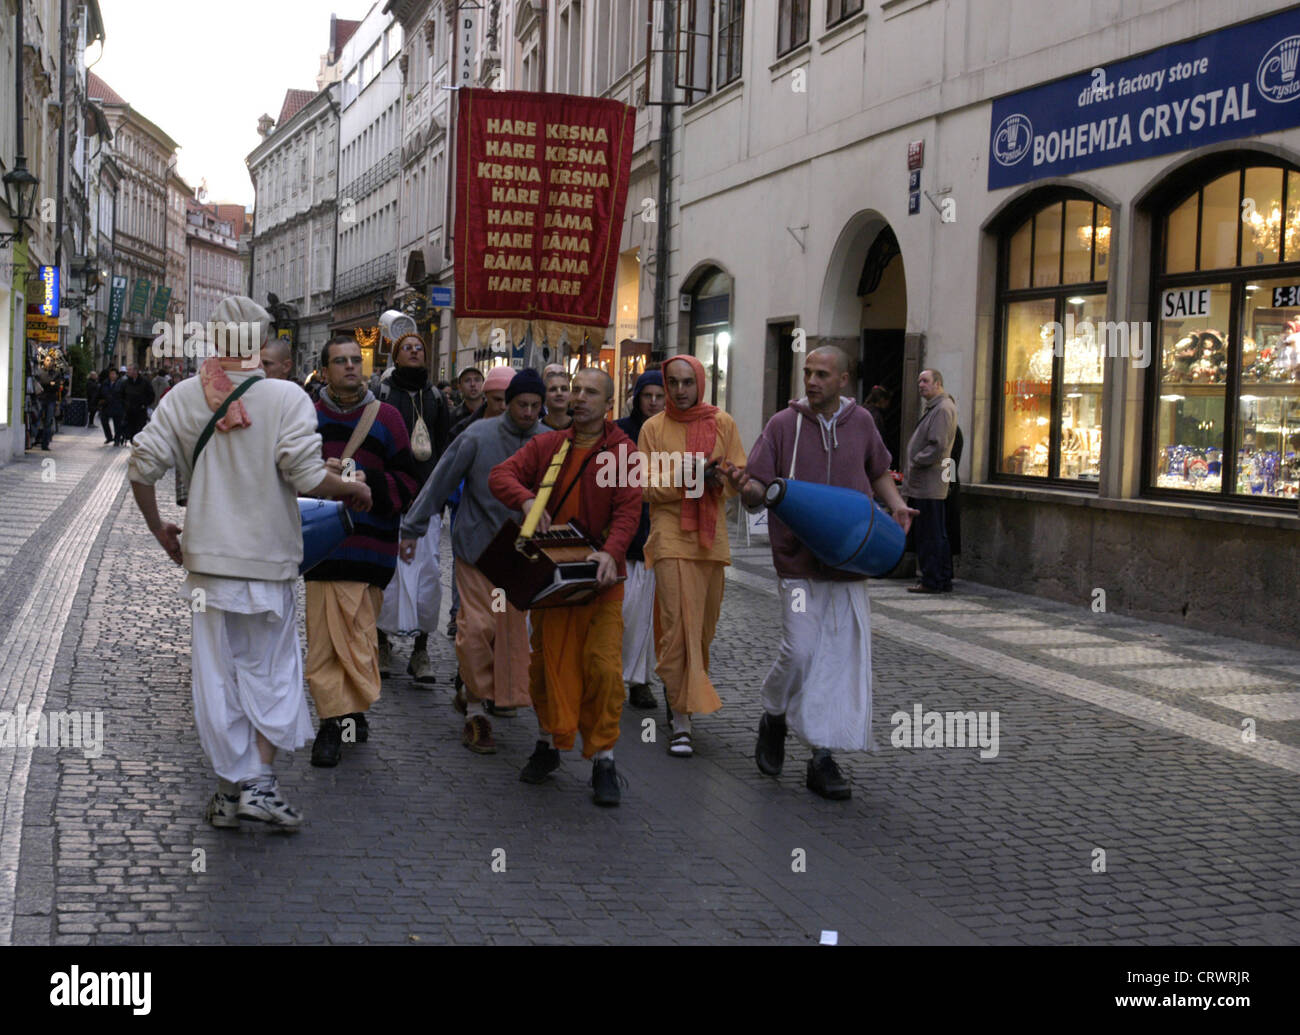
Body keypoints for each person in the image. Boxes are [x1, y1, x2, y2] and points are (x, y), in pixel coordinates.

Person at [126, 295, 372, 829]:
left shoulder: (184, 397)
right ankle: (258, 785)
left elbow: (140, 467)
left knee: (218, 678)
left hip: (209, 566)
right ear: (262, 342)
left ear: (215, 339)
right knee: (271, 672)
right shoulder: (286, 397)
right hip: (268, 563)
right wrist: (350, 488)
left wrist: (158, 527)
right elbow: (307, 478)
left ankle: (227, 790)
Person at [733, 345, 916, 801]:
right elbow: (757, 487)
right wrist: (748, 489)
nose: (811, 381)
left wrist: (895, 508)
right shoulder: (782, 425)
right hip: (797, 563)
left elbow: (878, 472)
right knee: (800, 651)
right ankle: (774, 714)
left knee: (838, 659)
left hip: (850, 562)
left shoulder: (863, 424)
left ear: (843, 381)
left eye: (821, 374)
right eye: (807, 372)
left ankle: (822, 755)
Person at [489, 368, 641, 805]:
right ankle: (548, 743)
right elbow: (500, 476)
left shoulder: (623, 452)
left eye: (591, 392)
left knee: (604, 671)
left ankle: (604, 758)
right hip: (552, 578)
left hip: (601, 580)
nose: (580, 398)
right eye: (576, 390)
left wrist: (611, 553)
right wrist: (527, 500)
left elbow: (629, 511)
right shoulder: (549, 444)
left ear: (609, 403)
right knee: (549, 668)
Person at [400, 368, 545, 754]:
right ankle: (476, 712)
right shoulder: (477, 436)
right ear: (506, 403)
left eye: (535, 405)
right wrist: (412, 528)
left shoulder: (549, 442)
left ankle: (480, 692)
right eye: (521, 404)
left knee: (508, 634)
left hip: (520, 556)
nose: (528, 412)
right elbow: (440, 481)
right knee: (477, 627)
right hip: (477, 549)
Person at [305, 335, 420, 768]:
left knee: (358, 639)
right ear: (325, 368)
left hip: (371, 548)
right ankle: (331, 725)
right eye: (341, 361)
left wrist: (372, 489)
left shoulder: (387, 418)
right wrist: (320, 476)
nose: (351, 367)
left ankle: (351, 712)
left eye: (356, 360)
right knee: (324, 644)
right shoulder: (307, 416)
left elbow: (409, 480)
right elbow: (285, 475)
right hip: (321, 548)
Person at [637, 354, 746, 758]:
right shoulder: (652, 428)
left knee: (701, 631)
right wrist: (687, 475)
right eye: (674, 382)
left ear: (700, 384)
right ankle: (681, 720)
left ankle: (679, 699)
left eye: (688, 382)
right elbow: (642, 485)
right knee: (676, 625)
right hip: (668, 538)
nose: (680, 390)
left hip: (710, 540)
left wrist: (724, 478)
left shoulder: (722, 423)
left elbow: (738, 477)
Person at [373, 333, 451, 683]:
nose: (416, 351)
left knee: (428, 574)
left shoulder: (435, 397)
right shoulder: (383, 394)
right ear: (395, 356)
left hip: (427, 498)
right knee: (388, 572)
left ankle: (421, 650)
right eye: (408, 348)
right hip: (390, 497)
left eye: (419, 348)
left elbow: (446, 448)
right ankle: (382, 642)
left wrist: (441, 491)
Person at [444, 364, 514, 640]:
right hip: (471, 518)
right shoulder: (466, 430)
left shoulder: (529, 432)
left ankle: (498, 638)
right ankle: (459, 616)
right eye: (497, 400)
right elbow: (446, 477)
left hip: (508, 524)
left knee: (500, 598)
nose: (504, 407)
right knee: (469, 584)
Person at [614, 370, 665, 710]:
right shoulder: (620, 432)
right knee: (621, 613)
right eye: (648, 395)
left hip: (657, 537)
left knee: (646, 619)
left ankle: (640, 681)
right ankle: (612, 676)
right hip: (623, 537)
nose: (653, 402)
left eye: (660, 396)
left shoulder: (672, 433)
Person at [902, 368, 958, 594]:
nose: (920, 385)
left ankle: (933, 579)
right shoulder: (936, 408)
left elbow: (938, 445)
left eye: (925, 381)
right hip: (925, 482)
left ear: (938, 383)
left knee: (930, 534)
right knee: (933, 532)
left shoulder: (943, 409)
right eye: (918, 381)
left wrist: (916, 460)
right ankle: (939, 578)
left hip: (929, 483)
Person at [120, 364, 155, 443]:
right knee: (130, 431)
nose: (127, 371)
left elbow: (151, 395)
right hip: (129, 411)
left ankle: (138, 446)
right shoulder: (125, 382)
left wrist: (144, 404)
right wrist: (125, 405)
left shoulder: (144, 382)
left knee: (139, 431)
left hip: (140, 411)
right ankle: (133, 444)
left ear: (135, 371)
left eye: (129, 370)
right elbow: (121, 395)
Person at [101, 367, 125, 445]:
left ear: (117, 375)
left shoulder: (121, 383)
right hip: (107, 405)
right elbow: (102, 392)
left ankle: (117, 439)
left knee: (117, 423)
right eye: (110, 374)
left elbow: (123, 394)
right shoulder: (105, 382)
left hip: (117, 405)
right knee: (104, 420)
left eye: (113, 374)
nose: (111, 375)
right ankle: (109, 437)